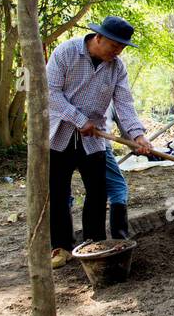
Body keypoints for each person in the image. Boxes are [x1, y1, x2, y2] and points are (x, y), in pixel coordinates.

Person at [46, 16, 153, 268]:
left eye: (122, 48)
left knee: (97, 190)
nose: (117, 52)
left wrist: (137, 135)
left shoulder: (117, 68)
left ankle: (94, 243)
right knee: (59, 192)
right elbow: (51, 93)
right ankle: (61, 247)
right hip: (58, 132)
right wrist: (79, 119)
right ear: (98, 37)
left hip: (93, 138)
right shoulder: (66, 52)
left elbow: (124, 104)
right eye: (114, 46)